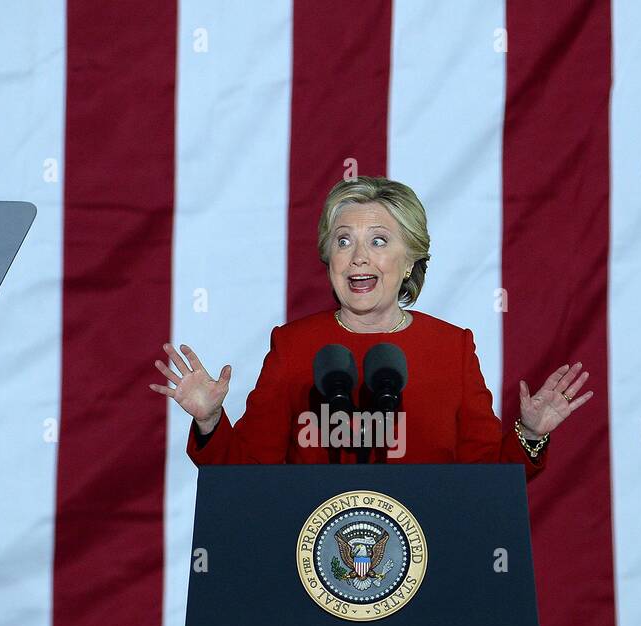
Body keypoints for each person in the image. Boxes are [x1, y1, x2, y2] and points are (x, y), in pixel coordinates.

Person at [150, 177, 592, 477]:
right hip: (315, 574)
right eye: (344, 241)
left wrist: (530, 434)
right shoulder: (294, 346)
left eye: (379, 241)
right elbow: (246, 477)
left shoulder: (451, 348)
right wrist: (210, 421)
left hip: (424, 571)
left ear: (410, 260)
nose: (358, 256)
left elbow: (486, 481)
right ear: (330, 259)